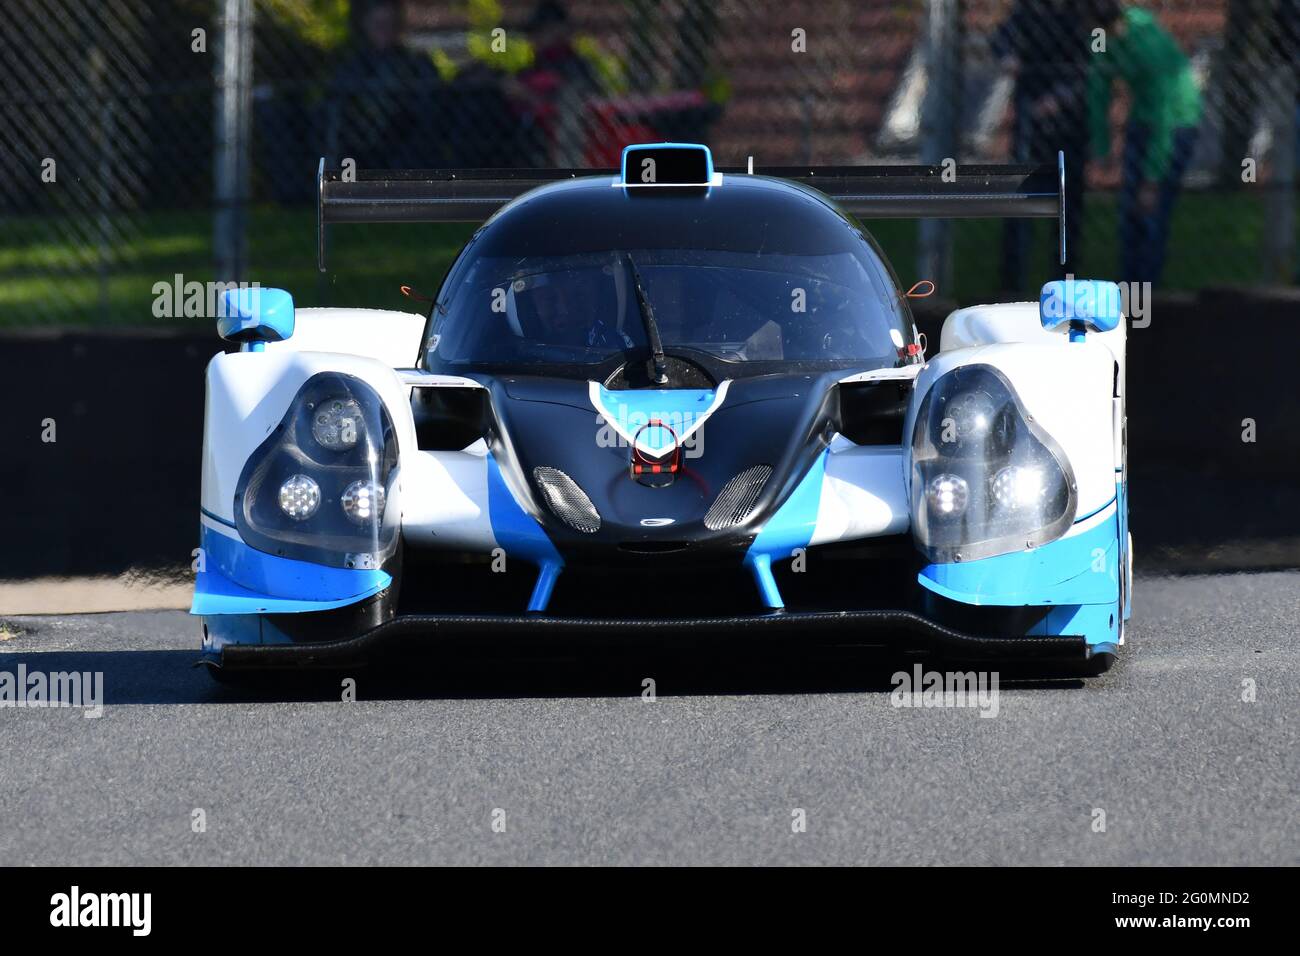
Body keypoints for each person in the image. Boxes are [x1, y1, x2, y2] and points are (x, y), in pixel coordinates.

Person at [1088, 1, 1203, 284]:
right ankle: (1129, 287)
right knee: (1130, 213)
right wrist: (1101, 151)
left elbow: (1164, 115)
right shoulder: (1104, 41)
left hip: (1175, 121)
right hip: (1143, 116)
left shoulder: (1147, 46)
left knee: (1152, 212)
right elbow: (1098, 90)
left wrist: (1152, 179)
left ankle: (1150, 294)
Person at [991, 0, 1091, 291]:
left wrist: (1058, 100)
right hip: (1030, 113)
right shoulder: (1029, 11)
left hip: (1069, 122)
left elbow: (1086, 69)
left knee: (1067, 204)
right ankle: (1012, 282)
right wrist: (1008, 56)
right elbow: (1000, 39)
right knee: (1022, 196)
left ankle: (1064, 280)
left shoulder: (1078, 18)